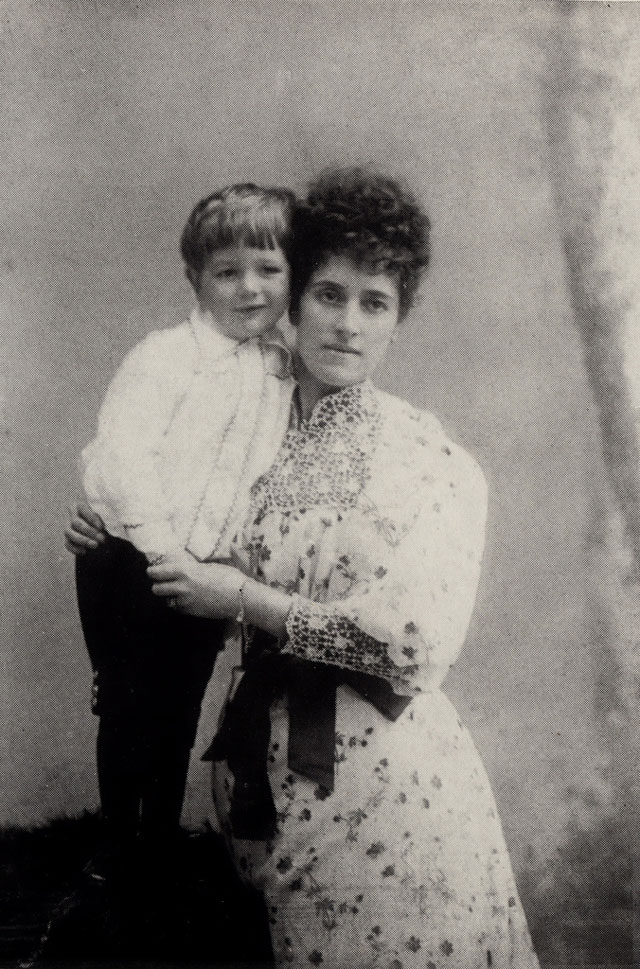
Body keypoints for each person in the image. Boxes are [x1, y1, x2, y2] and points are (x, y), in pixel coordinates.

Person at [142, 167, 541, 968]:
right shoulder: (236, 426)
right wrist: (109, 520)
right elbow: (170, 532)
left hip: (390, 809)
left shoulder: (427, 457)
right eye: (329, 294)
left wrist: (247, 599)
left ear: (399, 318)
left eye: (375, 303)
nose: (348, 324)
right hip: (258, 796)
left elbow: (412, 647)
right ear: (291, 299)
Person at [65, 184, 296, 868]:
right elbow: (121, 456)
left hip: (205, 571)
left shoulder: (281, 371)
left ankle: (158, 838)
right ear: (195, 279)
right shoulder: (164, 357)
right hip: (131, 555)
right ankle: (117, 844)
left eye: (268, 270)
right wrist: (163, 552)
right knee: (130, 704)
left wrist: (227, 569)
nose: (248, 288)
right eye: (227, 273)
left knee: (181, 706)